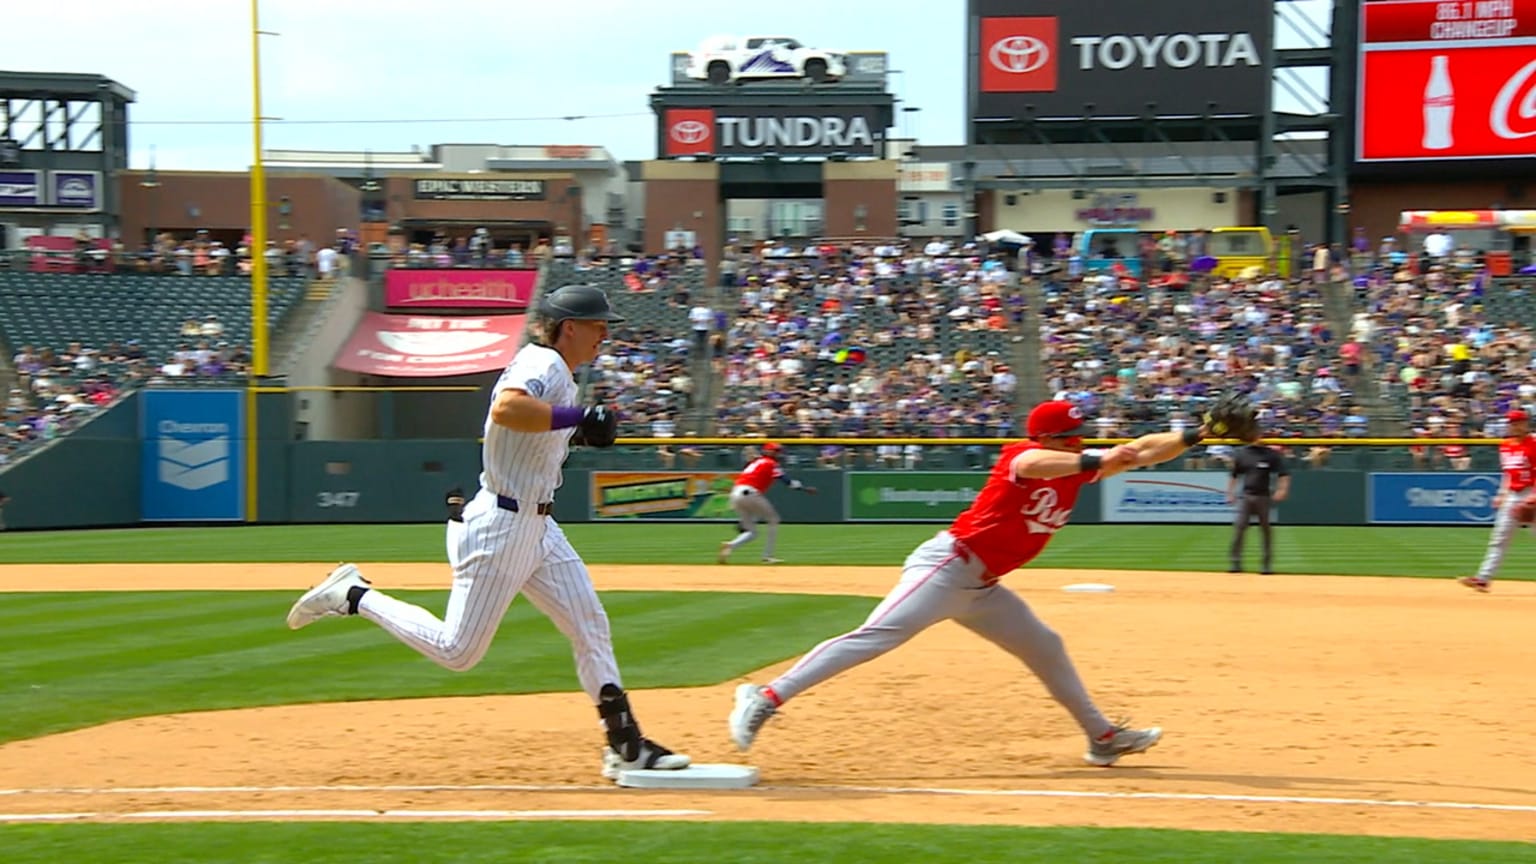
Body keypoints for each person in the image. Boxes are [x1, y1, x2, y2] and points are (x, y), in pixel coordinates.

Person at [285, 284, 691, 781]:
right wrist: (577, 416)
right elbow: (504, 410)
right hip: (503, 527)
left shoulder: (555, 369)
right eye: (597, 324)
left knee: (590, 624)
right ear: (568, 328)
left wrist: (577, 428)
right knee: (458, 651)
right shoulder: (543, 363)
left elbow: (527, 432)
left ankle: (626, 744)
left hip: (536, 526)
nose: (605, 333)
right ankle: (352, 593)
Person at [728, 398, 1235, 766]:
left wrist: (1197, 434)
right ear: (1051, 439)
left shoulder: (1076, 466)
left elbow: (1144, 451)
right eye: (1071, 437)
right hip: (947, 565)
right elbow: (1035, 461)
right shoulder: (1024, 457)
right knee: (877, 637)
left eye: (1081, 436)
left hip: (984, 586)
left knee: (1046, 647)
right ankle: (765, 697)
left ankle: (1102, 738)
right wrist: (1097, 459)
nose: (1081, 442)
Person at [1461, 409, 1536, 592]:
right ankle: (1483, 579)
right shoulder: (1505, 445)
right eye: (1512, 422)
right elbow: (1508, 474)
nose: (1515, 425)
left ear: (1526, 423)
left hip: (1531, 492)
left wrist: (1534, 496)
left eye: (1518, 422)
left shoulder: (1533, 443)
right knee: (1499, 538)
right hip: (1513, 494)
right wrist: (1501, 493)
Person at [718, 442, 817, 565]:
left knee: (752, 532)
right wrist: (804, 489)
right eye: (776, 451)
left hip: (736, 493)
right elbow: (786, 481)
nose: (779, 454)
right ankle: (768, 556)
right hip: (750, 493)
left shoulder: (756, 462)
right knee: (773, 519)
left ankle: (730, 545)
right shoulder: (771, 463)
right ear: (768, 452)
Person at [1226, 431, 1290, 575]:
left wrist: (1282, 489)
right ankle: (1235, 562)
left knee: (1265, 530)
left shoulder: (1270, 454)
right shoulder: (1242, 453)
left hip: (1263, 496)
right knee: (1239, 528)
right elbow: (1234, 475)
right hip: (1246, 495)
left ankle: (1266, 564)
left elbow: (1284, 473)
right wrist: (1230, 493)